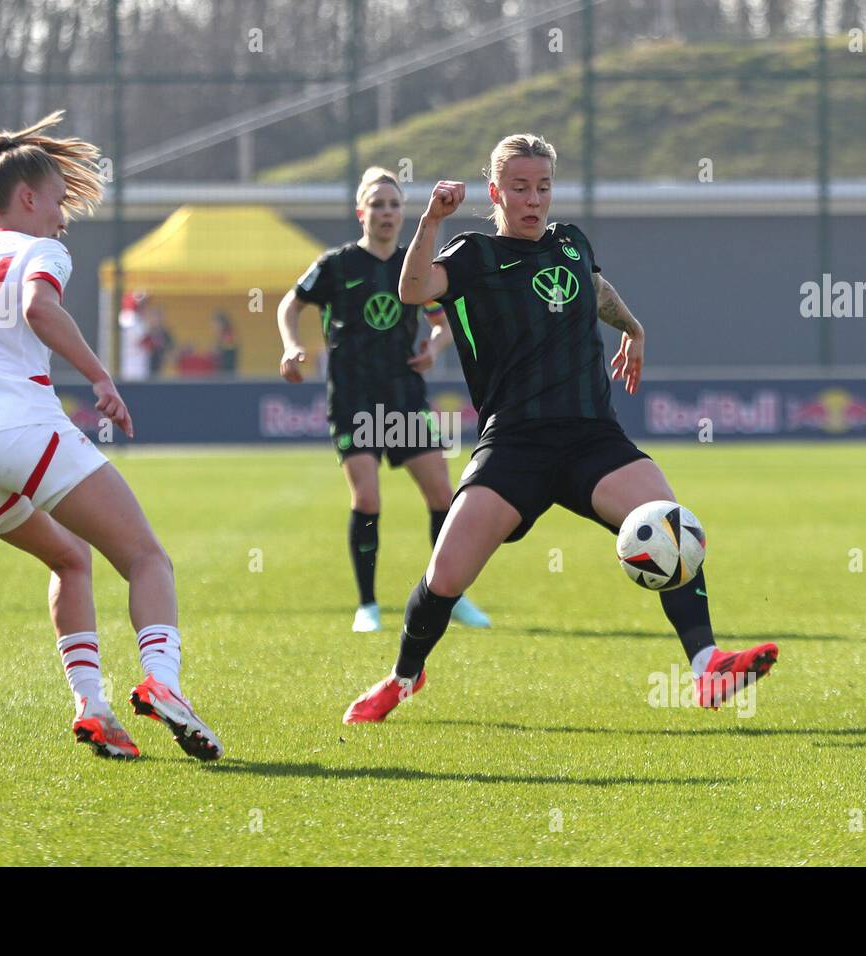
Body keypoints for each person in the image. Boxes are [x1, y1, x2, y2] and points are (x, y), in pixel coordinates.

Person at [343, 134, 779, 724]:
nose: (533, 199)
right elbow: (414, 290)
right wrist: (429, 222)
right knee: (445, 576)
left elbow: (595, 289)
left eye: (543, 187)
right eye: (519, 188)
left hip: (591, 438)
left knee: (670, 524)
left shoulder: (571, 243)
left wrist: (634, 327)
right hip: (514, 445)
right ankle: (403, 677)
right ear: (496, 192)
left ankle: (705, 666)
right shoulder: (473, 254)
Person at [0, 111, 222, 761]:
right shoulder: (37, 250)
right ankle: (164, 682)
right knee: (147, 559)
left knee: (71, 559)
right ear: (26, 198)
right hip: (20, 432)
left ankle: (93, 709)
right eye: (57, 202)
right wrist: (101, 377)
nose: (62, 218)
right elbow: (42, 308)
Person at [277, 166, 490, 633]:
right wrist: (292, 347)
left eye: (394, 204)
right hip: (354, 398)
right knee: (368, 499)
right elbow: (288, 305)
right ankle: (368, 605)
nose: (387, 212)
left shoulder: (413, 266)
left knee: (443, 495)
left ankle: (450, 595)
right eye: (377, 204)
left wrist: (433, 348)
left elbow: (444, 321)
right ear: (361, 213)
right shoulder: (337, 265)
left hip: (404, 396)